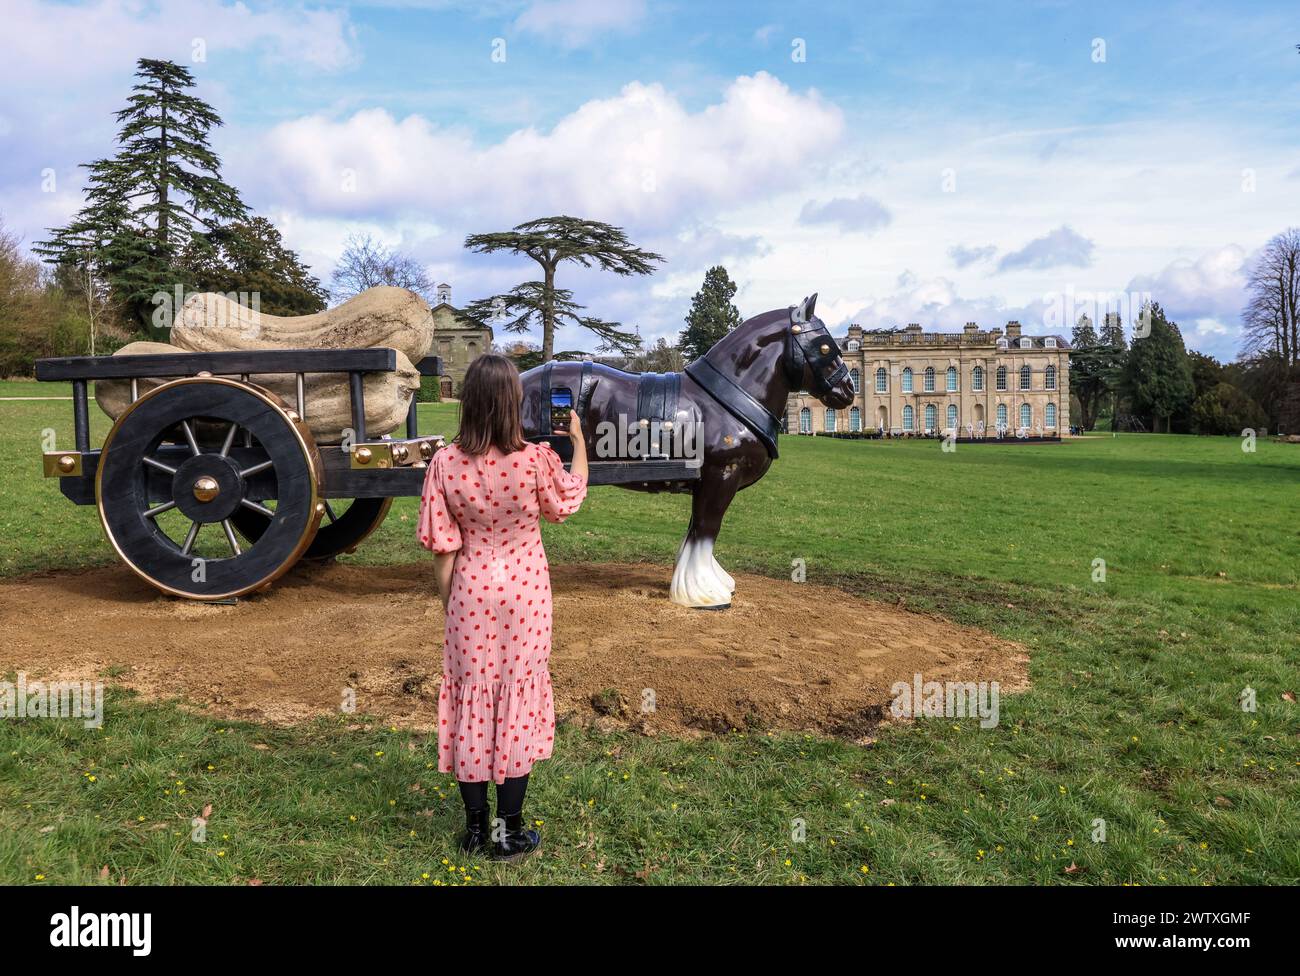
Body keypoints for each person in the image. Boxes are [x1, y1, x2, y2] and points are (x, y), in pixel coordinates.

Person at [417, 355, 588, 861]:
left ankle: (474, 831)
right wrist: (577, 442)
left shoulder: (445, 464)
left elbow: (443, 549)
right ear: (515, 403)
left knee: (473, 698)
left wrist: (452, 605)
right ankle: (508, 833)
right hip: (526, 592)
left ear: (468, 402)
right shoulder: (536, 459)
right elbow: (569, 500)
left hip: (471, 590)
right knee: (517, 698)